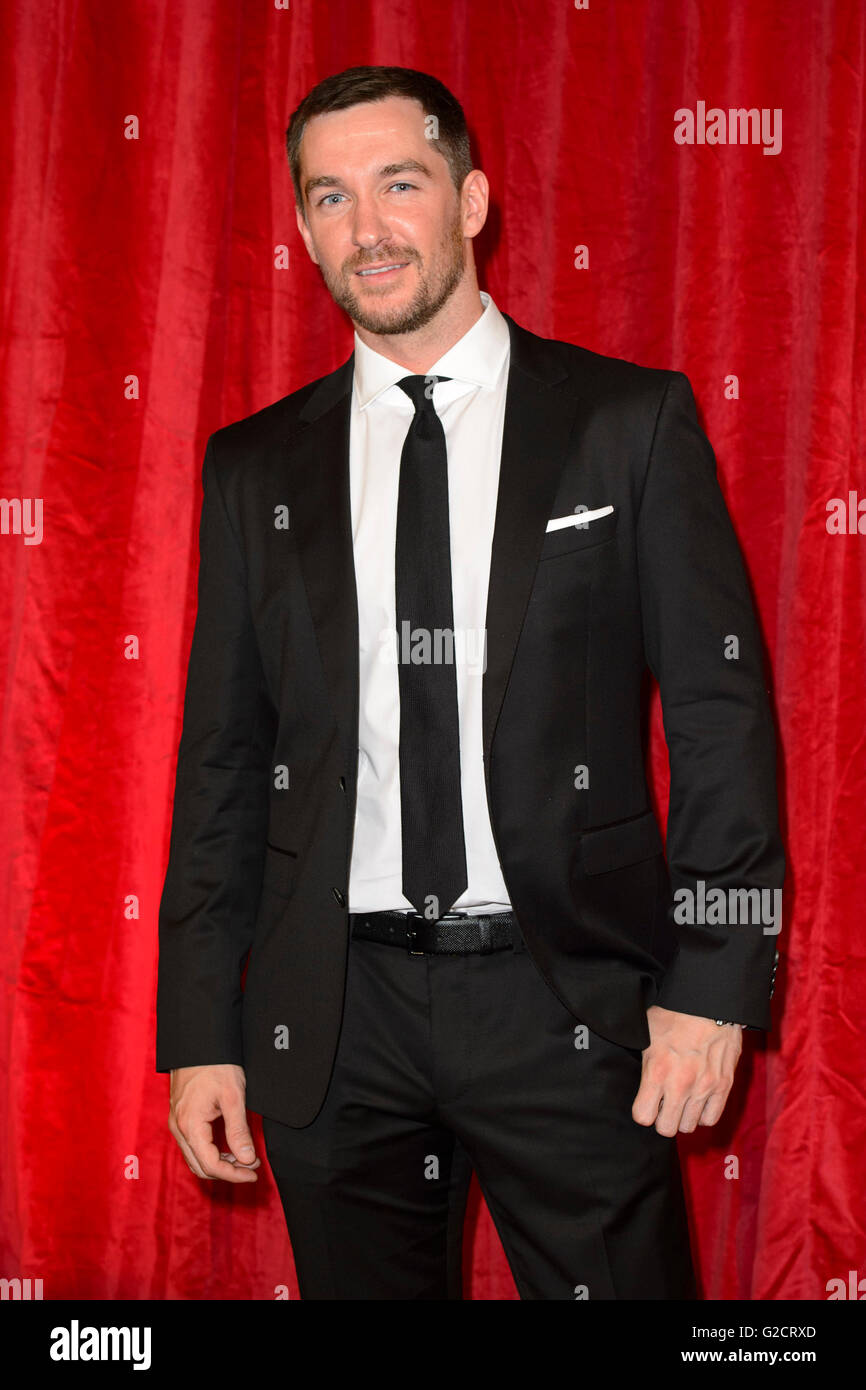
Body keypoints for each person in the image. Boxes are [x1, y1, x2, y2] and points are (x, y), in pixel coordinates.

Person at [156, 65, 784, 1300]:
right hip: (335, 1012)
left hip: (571, 996)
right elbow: (222, 757)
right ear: (301, 229)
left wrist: (714, 983)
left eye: (400, 184)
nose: (367, 229)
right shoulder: (251, 466)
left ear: (472, 199)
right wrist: (199, 1031)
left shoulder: (625, 422)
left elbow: (722, 716)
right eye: (329, 197)